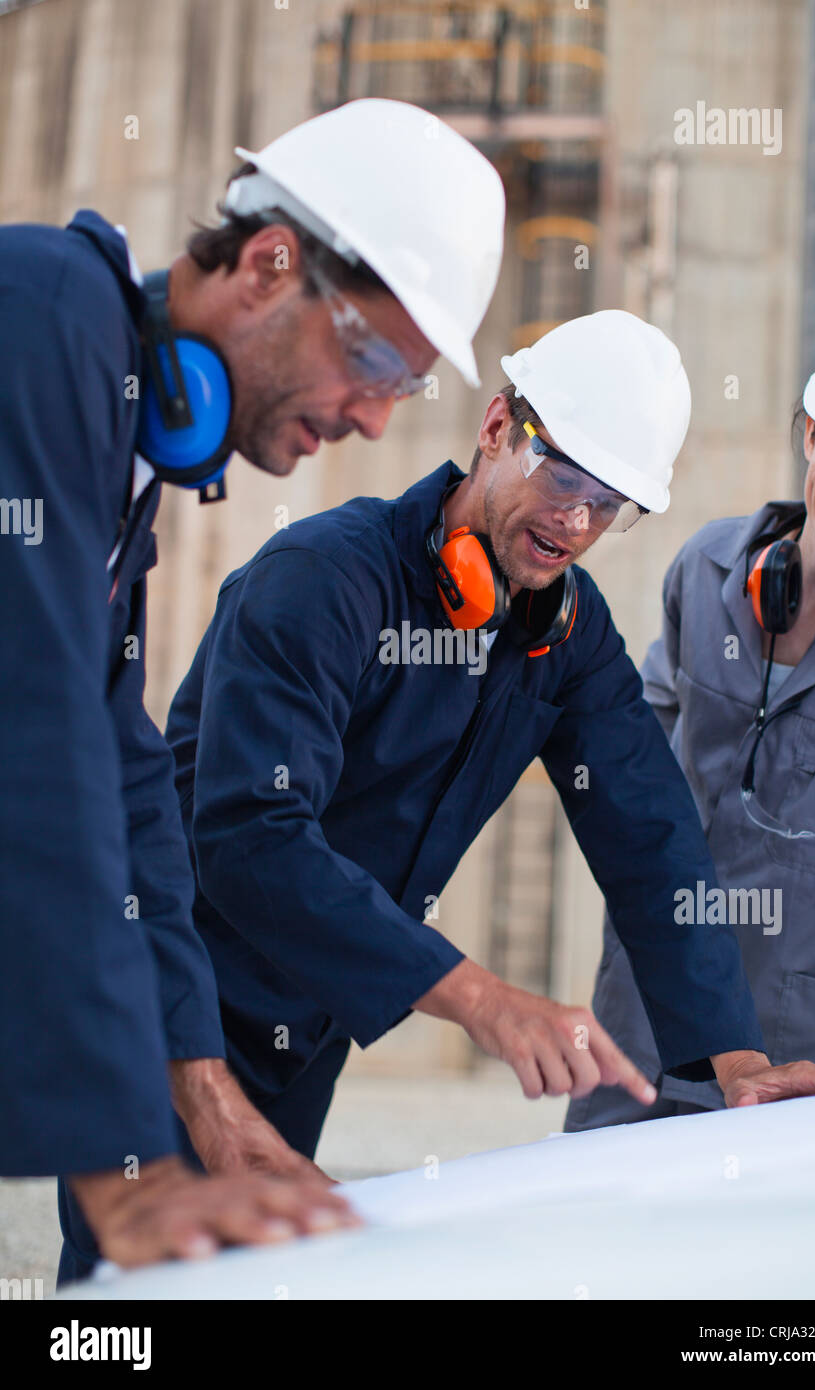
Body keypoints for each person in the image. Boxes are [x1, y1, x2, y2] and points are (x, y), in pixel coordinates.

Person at [164, 310, 815, 1182]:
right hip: (174, 997)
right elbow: (249, 837)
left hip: (314, 1011)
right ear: (497, 426)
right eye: (566, 473)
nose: (578, 520)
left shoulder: (563, 632)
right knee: (139, 1282)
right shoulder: (319, 580)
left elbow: (651, 841)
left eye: (610, 503)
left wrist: (736, 1064)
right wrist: (481, 1001)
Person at [0, 97, 505, 1278]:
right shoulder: (45, 320)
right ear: (270, 263)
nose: (375, 417)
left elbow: (124, 780)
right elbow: (36, 739)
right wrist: (124, 1171)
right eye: (371, 360)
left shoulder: (115, 455)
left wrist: (206, 1104)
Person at [566, 328, 815, 1136]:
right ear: (808, 432)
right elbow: (638, 779)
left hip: (803, 1064)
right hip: (648, 1020)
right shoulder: (705, 571)